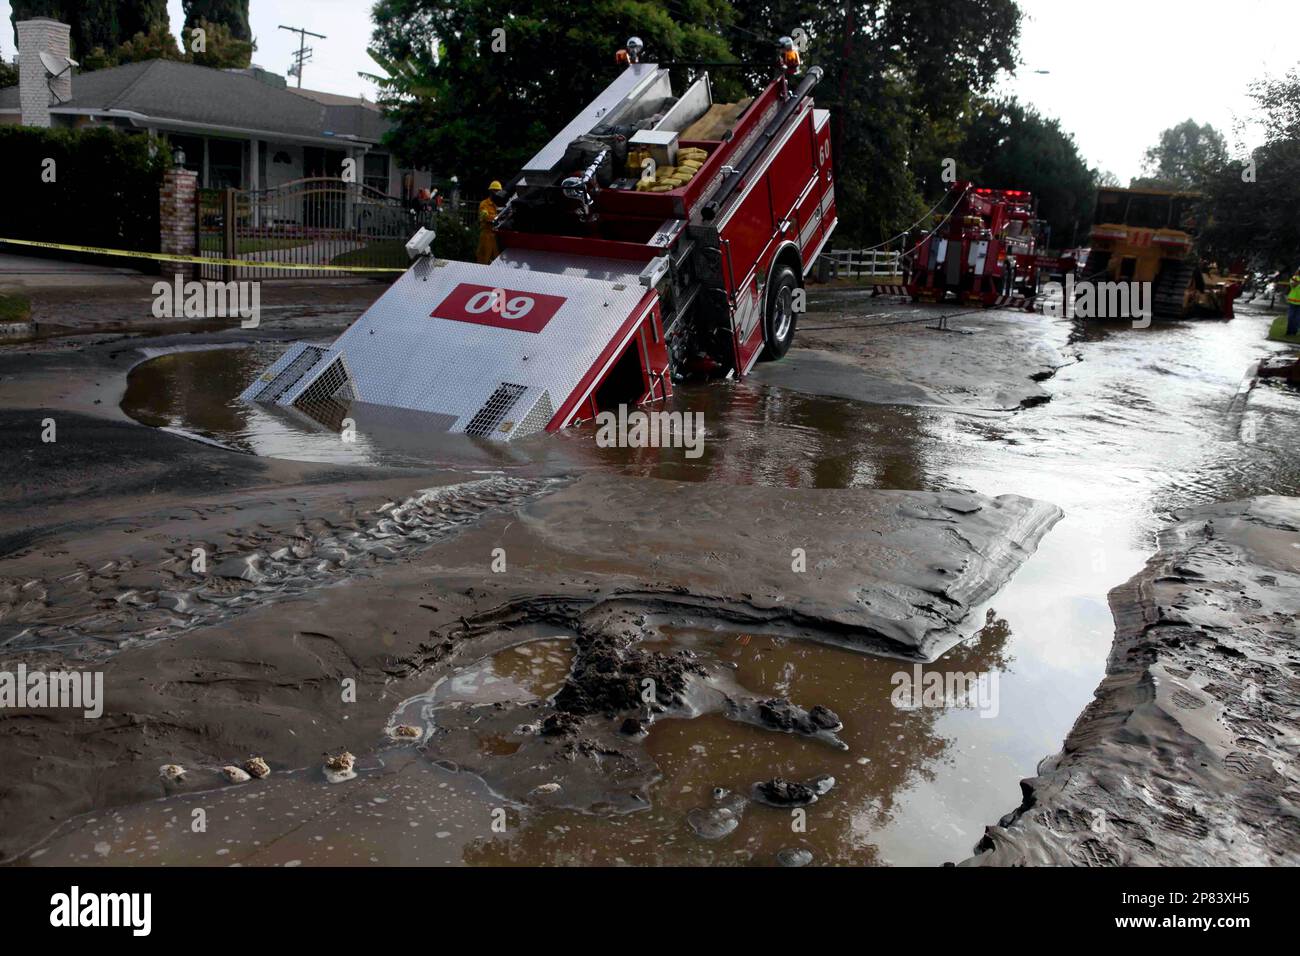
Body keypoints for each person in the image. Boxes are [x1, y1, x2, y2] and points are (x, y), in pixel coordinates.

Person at [477, 180, 503, 264]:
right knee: (483, 261)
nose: (497, 193)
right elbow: (485, 217)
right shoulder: (484, 204)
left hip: (498, 237)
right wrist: (498, 217)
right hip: (486, 235)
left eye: (498, 191)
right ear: (491, 191)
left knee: (497, 262)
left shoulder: (501, 204)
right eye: (495, 190)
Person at [1288, 266, 1300, 337]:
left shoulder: (1295, 278)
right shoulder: (1295, 278)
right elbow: (1293, 284)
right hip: (1293, 301)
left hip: (1297, 301)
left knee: (1297, 317)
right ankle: (1290, 331)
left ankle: (1294, 331)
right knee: (1291, 317)